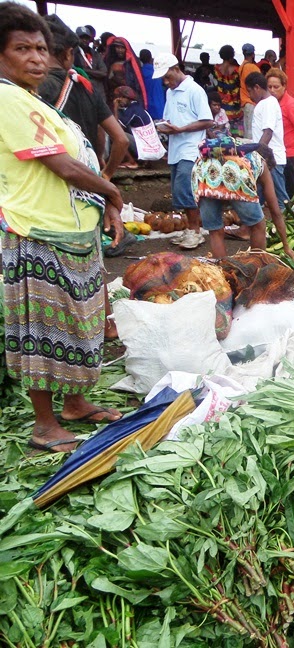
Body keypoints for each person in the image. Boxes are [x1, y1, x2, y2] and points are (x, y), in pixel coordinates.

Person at [0, 3, 127, 452]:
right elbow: (63, 166)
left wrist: (101, 204)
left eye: (40, 48)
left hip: (74, 230)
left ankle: (75, 404)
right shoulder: (5, 98)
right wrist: (111, 194)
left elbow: (78, 162)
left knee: (80, 323)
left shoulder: (32, 98)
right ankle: (44, 424)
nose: (36, 58)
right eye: (22, 49)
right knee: (43, 330)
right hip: (38, 232)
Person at [39, 16, 128, 180]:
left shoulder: (30, 90)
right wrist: (106, 174)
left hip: (45, 184)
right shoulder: (87, 87)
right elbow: (121, 140)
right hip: (87, 183)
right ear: (68, 54)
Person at [154, 53, 214, 249]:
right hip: (176, 147)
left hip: (191, 147)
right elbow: (169, 119)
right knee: (179, 191)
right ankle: (190, 229)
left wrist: (181, 129)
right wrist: (163, 127)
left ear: (175, 69)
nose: (166, 81)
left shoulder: (195, 91)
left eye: (167, 76)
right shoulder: (170, 92)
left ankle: (195, 231)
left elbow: (207, 120)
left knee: (186, 189)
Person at [245, 71, 291, 209]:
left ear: (257, 87)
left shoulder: (268, 104)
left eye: (250, 91)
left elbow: (268, 132)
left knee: (281, 199)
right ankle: (251, 227)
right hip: (265, 160)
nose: (249, 95)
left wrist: (257, 155)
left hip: (272, 160)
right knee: (257, 196)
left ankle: (290, 224)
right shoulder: (265, 103)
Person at [266, 68, 294, 198]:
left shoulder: (289, 104)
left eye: (276, 87)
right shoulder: (272, 103)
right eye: (269, 87)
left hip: (290, 155)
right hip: (277, 153)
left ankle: (293, 215)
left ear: (284, 86)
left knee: (288, 193)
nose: (272, 90)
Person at [113, 86, 155, 166]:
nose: (119, 100)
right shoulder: (136, 106)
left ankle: (131, 161)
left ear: (127, 98)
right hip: (148, 146)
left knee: (116, 135)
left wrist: (115, 108)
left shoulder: (132, 110)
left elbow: (116, 128)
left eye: (121, 97)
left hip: (146, 147)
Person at [103, 36, 147, 109]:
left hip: (130, 96)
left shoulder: (133, 63)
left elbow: (138, 82)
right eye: (117, 47)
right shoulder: (109, 63)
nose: (120, 50)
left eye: (122, 48)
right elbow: (108, 80)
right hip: (115, 96)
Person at [73, 25, 107, 106]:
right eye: (82, 37)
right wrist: (95, 73)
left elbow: (104, 73)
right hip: (81, 93)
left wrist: (84, 70)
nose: (85, 40)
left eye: (87, 38)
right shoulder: (73, 53)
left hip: (98, 93)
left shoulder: (95, 54)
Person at [215, 45, 242, 136]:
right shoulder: (237, 70)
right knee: (237, 134)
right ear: (232, 56)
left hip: (222, 106)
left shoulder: (216, 69)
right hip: (235, 108)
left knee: (224, 134)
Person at [238, 44, 260, 137]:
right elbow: (260, 84)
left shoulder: (241, 66)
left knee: (247, 131)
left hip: (244, 101)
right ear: (253, 54)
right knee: (252, 132)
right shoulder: (253, 67)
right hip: (251, 102)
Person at [138, 49, 165, 120]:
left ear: (140, 59)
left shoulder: (139, 74)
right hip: (159, 107)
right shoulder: (158, 72)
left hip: (145, 107)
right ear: (151, 58)